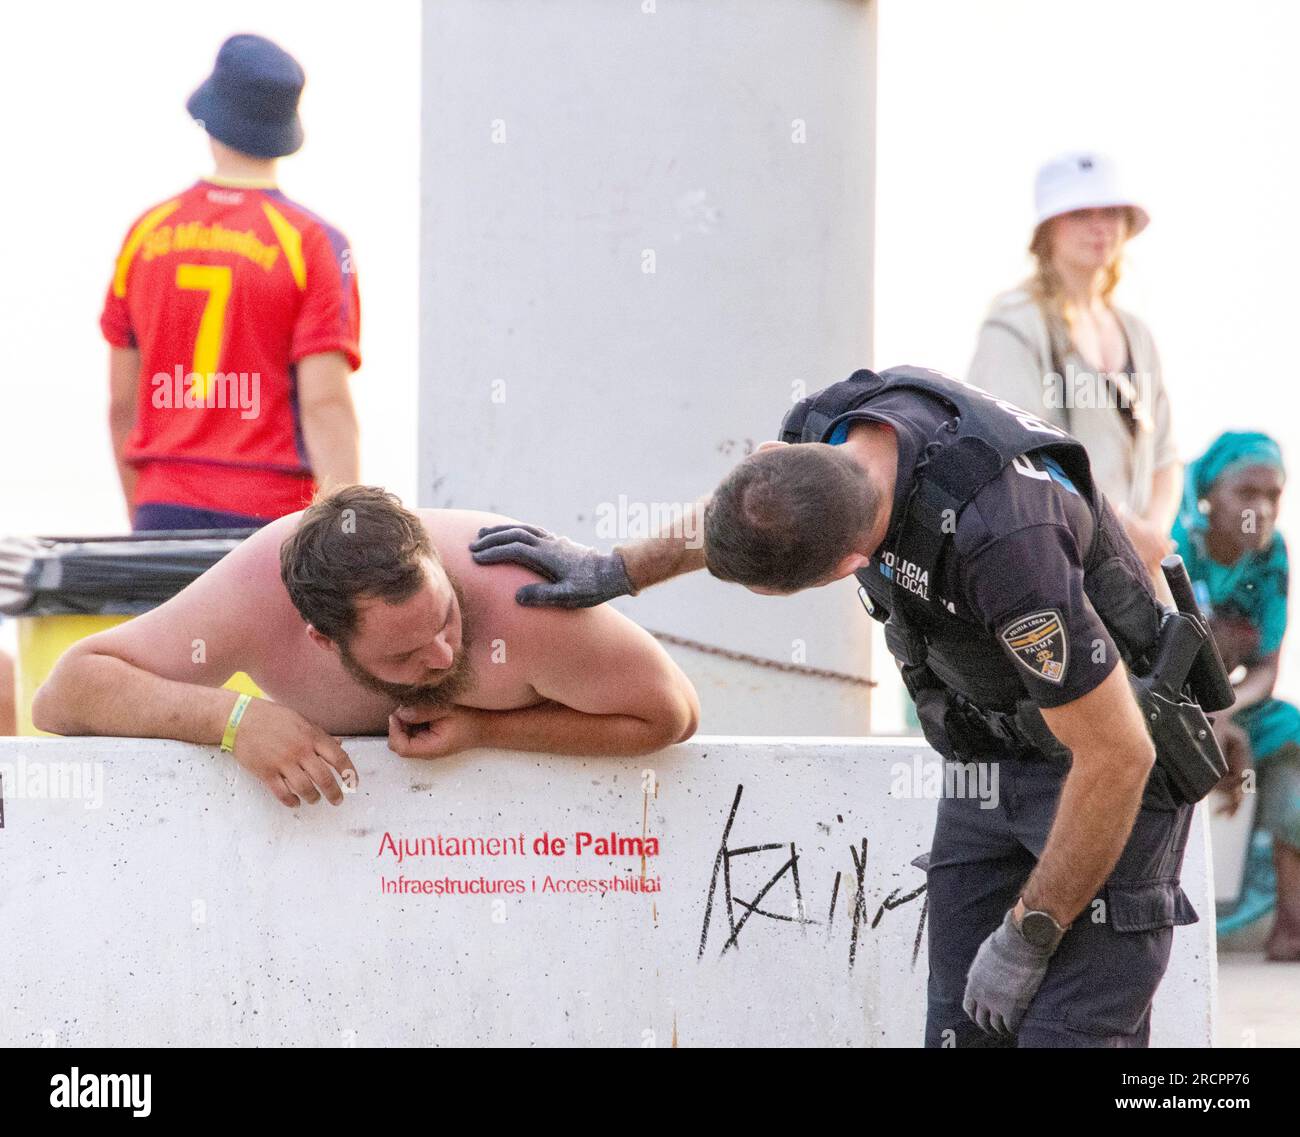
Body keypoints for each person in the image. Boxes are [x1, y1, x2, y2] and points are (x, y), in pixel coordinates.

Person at [469, 365, 1220, 1048]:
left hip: (1103, 769)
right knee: (960, 1032)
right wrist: (616, 569)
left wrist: (1030, 931)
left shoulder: (1006, 541)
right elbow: (751, 505)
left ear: (846, 568)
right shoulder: (826, 430)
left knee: (1066, 1038)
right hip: (986, 747)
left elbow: (1120, 755)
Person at [32, 486, 699, 808]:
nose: (440, 656)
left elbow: (669, 714)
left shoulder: (518, 596)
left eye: (443, 619)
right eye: (404, 656)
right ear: (320, 638)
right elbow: (65, 693)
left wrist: (490, 728)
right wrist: (235, 720)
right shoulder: (257, 591)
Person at [100, 34, 361, 532]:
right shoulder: (314, 243)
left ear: (211, 122)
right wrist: (348, 540)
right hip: (270, 515)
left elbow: (121, 405)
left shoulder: (147, 233)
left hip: (164, 506)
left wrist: (147, 516)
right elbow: (325, 405)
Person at [966, 152, 1180, 589]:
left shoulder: (1136, 333)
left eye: (1111, 213)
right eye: (1080, 213)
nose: (1099, 226)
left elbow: (1165, 457)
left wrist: (1150, 535)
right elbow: (1023, 454)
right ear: (1048, 231)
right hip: (1054, 568)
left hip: (1135, 574)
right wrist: (1121, 530)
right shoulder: (1014, 323)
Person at [1172, 431, 1300, 961]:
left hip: (1232, 705)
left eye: (1273, 496)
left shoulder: (1271, 559)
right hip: (1165, 704)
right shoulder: (1173, 549)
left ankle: (1291, 923)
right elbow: (1148, 659)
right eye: (1246, 494)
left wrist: (1226, 715)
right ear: (1209, 496)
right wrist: (1207, 723)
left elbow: (1267, 669)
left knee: (1289, 730)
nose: (1262, 510)